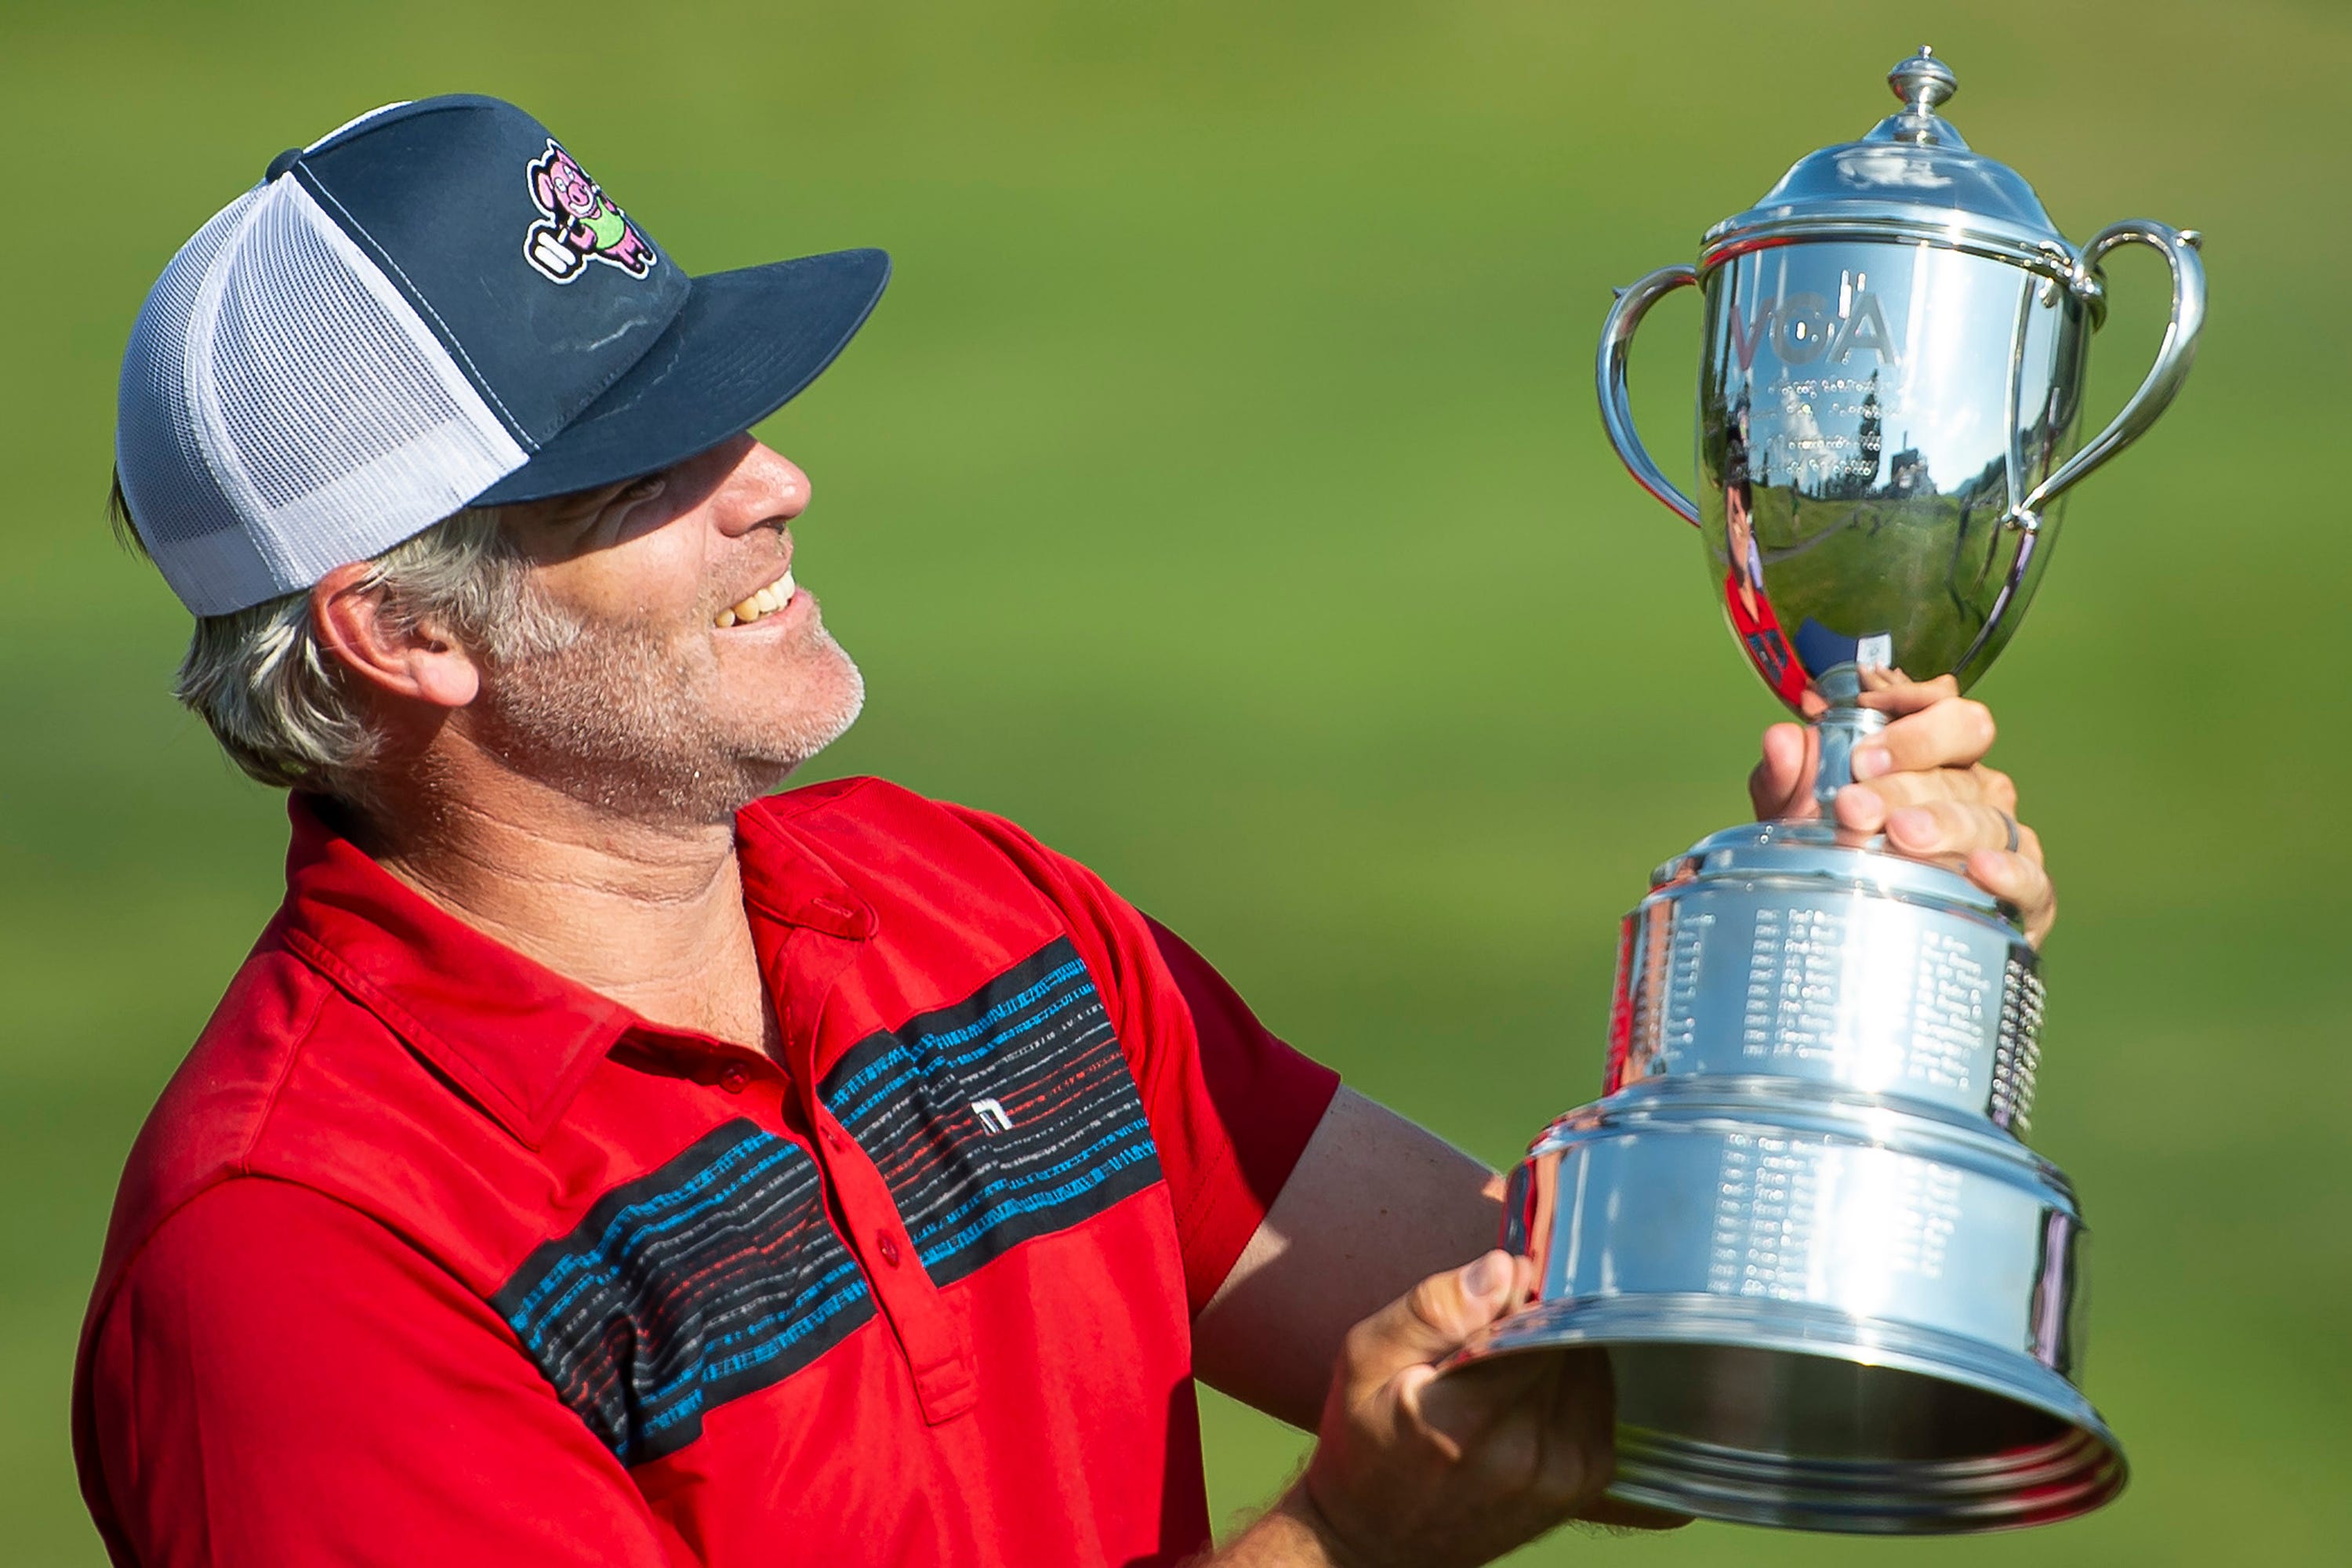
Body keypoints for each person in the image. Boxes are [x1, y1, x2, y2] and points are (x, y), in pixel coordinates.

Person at [74, 96, 2053, 1568]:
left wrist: (1850, 996)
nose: (777, 478)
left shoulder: (976, 916)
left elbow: (1590, 1387)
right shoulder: (295, 1252)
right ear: (405, 630)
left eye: (729, 412)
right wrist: (1338, 1547)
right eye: (645, 468)